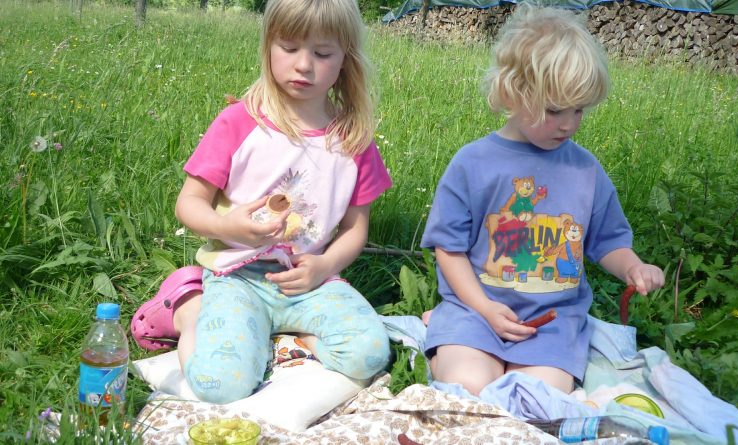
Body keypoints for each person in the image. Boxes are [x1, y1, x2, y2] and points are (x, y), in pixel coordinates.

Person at [130, 0, 391, 404]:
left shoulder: (353, 141)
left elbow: (356, 228)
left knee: (370, 354)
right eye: (289, 48)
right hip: (236, 276)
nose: (304, 65)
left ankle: (282, 335)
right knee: (221, 386)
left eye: (322, 53)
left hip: (309, 281)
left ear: (345, 60)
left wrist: (325, 265)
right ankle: (187, 305)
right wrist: (227, 226)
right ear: (268, 46)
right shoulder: (238, 122)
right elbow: (190, 203)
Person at [420, 4, 665, 398]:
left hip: (551, 321)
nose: (568, 124)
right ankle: (443, 326)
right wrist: (483, 308)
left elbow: (608, 241)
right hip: (476, 311)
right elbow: (448, 249)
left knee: (536, 396)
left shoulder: (585, 171)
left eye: (579, 110)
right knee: (468, 382)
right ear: (512, 93)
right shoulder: (473, 164)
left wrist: (633, 266)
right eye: (554, 110)